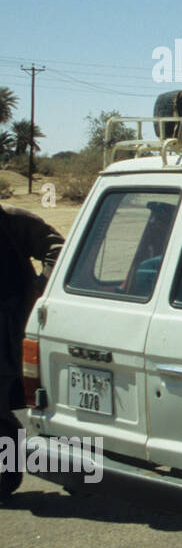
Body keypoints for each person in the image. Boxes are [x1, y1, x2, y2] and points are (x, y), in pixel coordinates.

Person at [0, 204, 64, 502]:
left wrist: (41, 286)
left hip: (10, 324)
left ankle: (6, 475)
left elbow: (57, 248)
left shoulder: (13, 221)